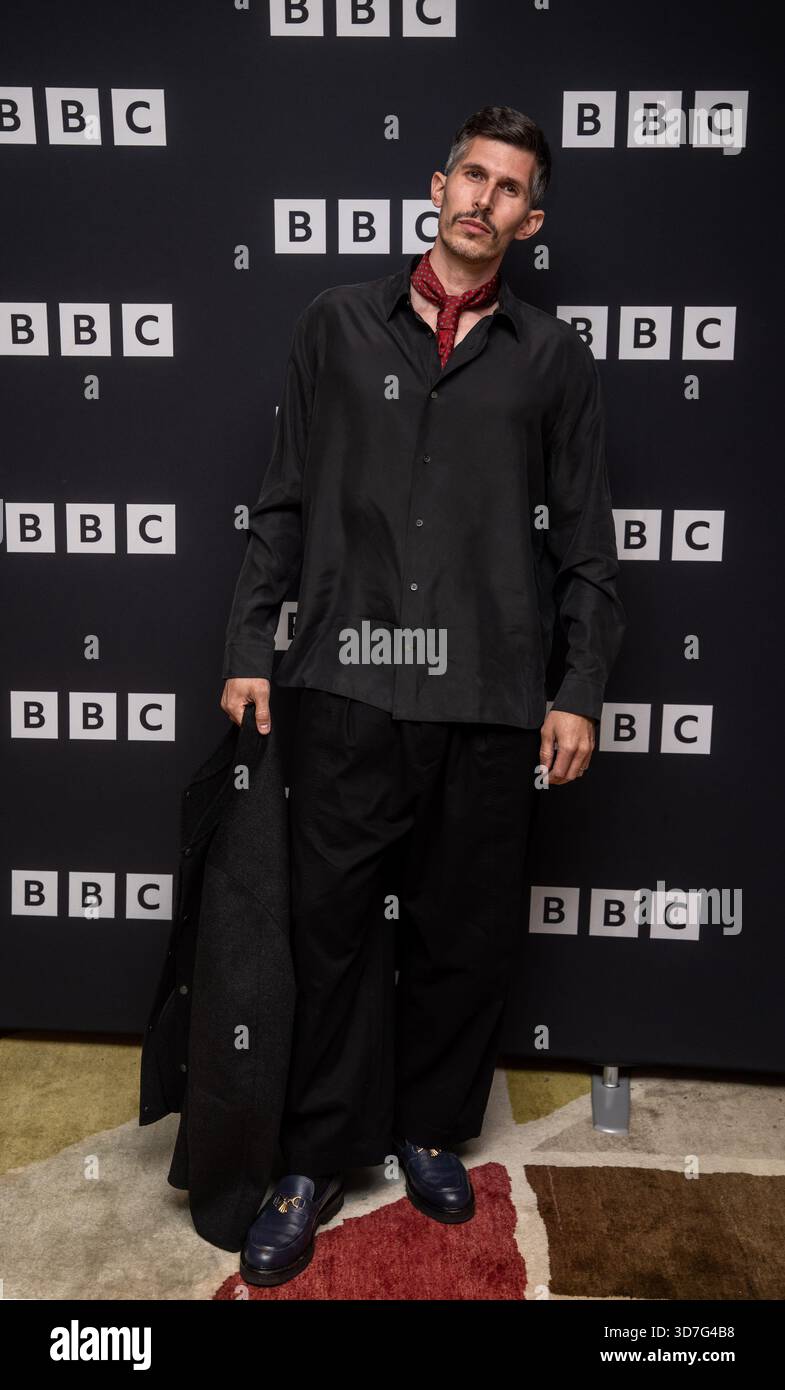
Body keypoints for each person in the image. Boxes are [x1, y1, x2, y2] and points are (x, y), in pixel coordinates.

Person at [220, 104, 626, 1287]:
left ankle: (426, 1127)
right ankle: (310, 1157)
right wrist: (251, 640)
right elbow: (283, 496)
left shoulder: (553, 364)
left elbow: (587, 550)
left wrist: (578, 684)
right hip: (346, 684)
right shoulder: (334, 326)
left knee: (463, 936)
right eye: (470, 176)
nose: (482, 200)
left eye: (509, 190)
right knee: (331, 932)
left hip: (492, 701)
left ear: (528, 219)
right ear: (435, 185)